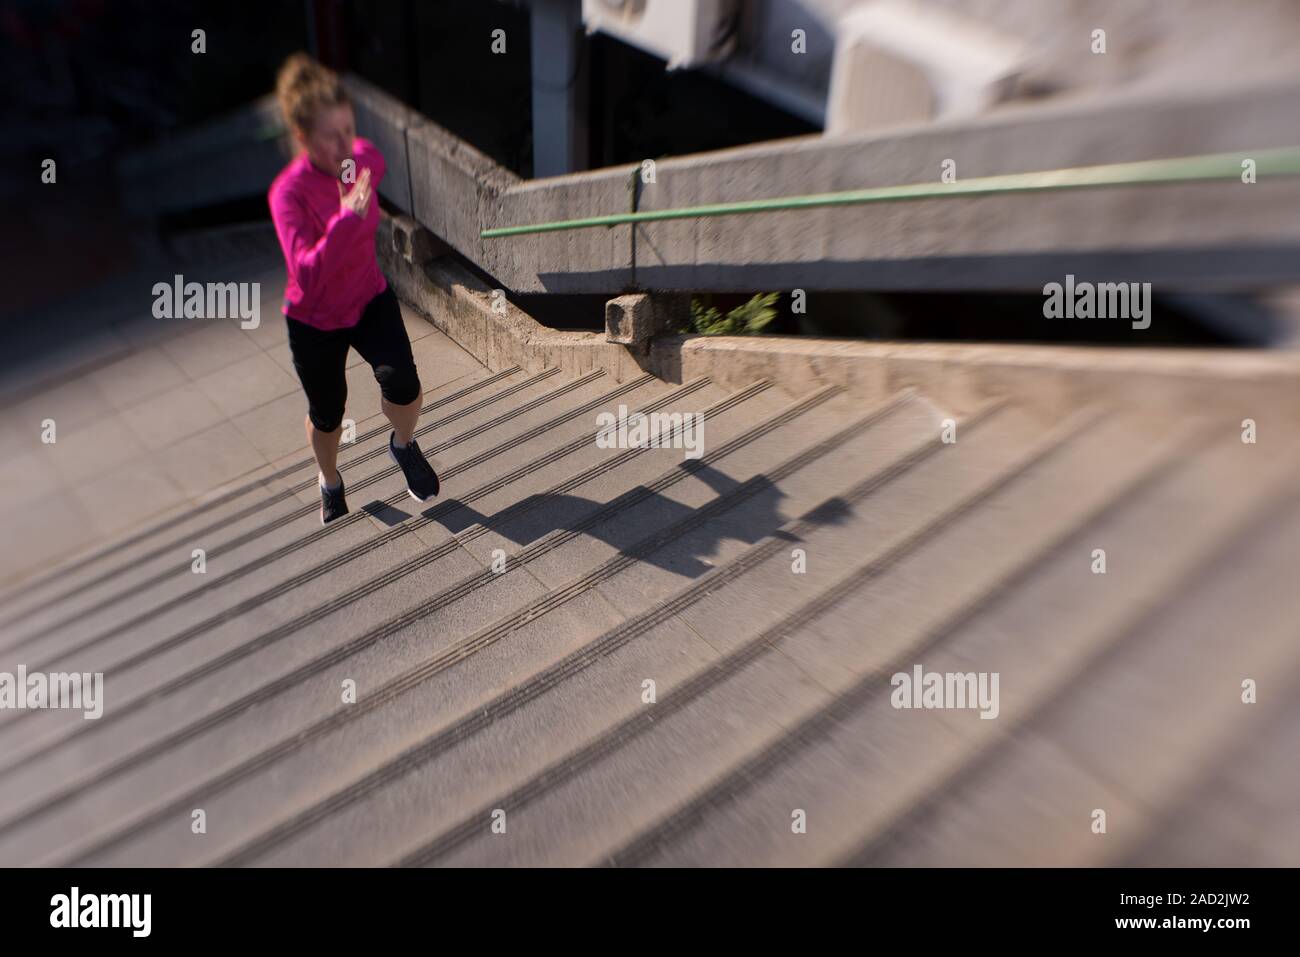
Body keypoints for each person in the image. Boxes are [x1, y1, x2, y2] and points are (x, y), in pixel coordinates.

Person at [268, 53, 439, 525]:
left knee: (404, 385)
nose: (348, 143)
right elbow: (306, 271)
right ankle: (330, 479)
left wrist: (355, 204)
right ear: (303, 138)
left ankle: (402, 446)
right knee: (329, 416)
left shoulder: (362, 160)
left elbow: (376, 160)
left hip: (368, 299)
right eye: (333, 134)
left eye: (350, 127)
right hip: (314, 319)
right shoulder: (289, 194)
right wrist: (346, 219)